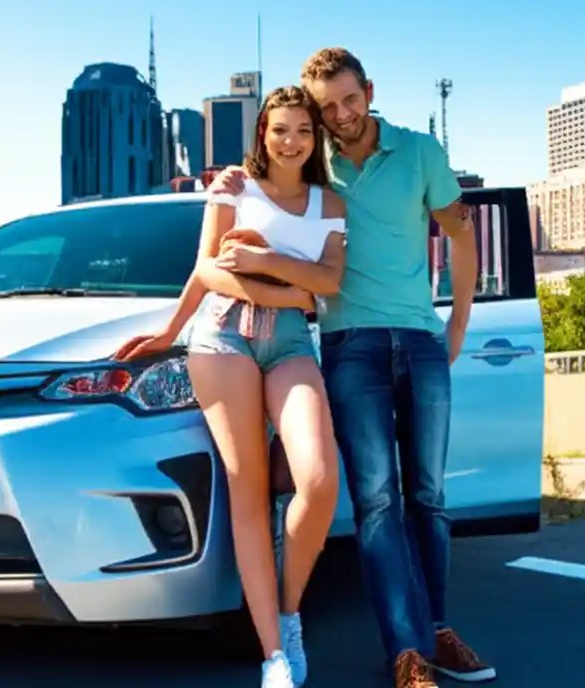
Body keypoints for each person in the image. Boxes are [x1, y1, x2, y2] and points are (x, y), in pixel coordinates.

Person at [207, 48, 492, 688]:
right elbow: (265, 188)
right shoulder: (314, 161)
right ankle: (406, 653)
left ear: (368, 89)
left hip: (420, 339)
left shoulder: (419, 152)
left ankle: (438, 630)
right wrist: (229, 184)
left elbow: (461, 231)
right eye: (325, 107)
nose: (339, 115)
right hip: (348, 345)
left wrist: (458, 324)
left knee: (430, 498)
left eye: (347, 100)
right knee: (377, 501)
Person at [114, 85, 346, 688]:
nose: (291, 141)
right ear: (261, 134)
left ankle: (289, 611)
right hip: (221, 338)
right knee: (245, 490)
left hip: (291, 344)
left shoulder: (330, 205)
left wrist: (266, 260)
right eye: (279, 130)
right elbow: (207, 269)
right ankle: (274, 653)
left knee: (318, 480)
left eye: (302, 130)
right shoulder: (233, 187)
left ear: (314, 137)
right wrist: (170, 330)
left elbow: (329, 284)